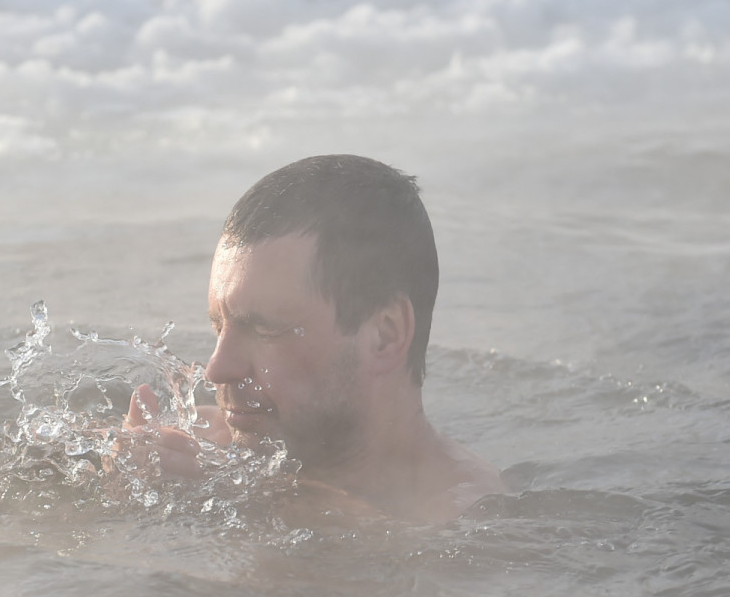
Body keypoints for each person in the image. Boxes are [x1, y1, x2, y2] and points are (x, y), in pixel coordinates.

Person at [123, 154, 505, 523]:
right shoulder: (202, 442)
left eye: (265, 329)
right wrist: (121, 478)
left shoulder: (463, 526)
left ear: (385, 336)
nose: (217, 369)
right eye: (219, 326)